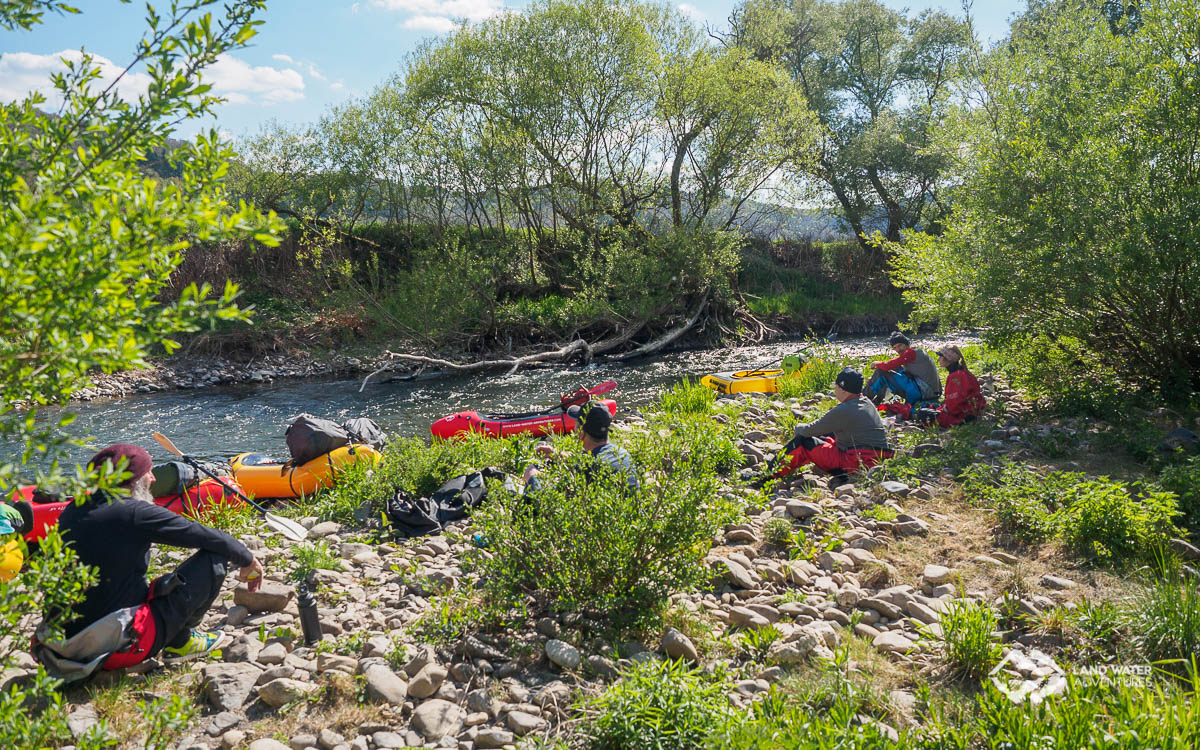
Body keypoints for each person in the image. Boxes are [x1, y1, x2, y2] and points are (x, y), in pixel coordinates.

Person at [35, 444, 264, 679]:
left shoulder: (72, 510)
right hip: (117, 647)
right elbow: (209, 537)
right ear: (134, 480)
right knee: (213, 558)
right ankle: (182, 643)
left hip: (58, 648)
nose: (153, 478)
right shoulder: (134, 512)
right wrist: (247, 559)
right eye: (149, 472)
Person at [775, 368, 893, 479]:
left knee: (803, 442)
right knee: (826, 435)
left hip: (855, 463)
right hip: (875, 459)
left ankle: (769, 474)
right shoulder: (866, 403)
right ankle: (789, 468)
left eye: (835, 386)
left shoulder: (844, 410)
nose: (834, 389)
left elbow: (808, 430)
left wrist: (797, 427)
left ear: (842, 388)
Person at [523, 402, 638, 492]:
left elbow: (547, 502)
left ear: (581, 433)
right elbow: (591, 458)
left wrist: (532, 478)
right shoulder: (622, 454)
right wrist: (558, 454)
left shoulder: (587, 468)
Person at [865, 331, 941, 407]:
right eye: (895, 348)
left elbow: (887, 366)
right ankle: (875, 401)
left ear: (906, 344)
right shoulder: (913, 353)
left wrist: (876, 363)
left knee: (882, 370)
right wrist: (873, 380)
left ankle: (864, 398)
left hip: (926, 392)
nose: (898, 349)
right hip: (927, 391)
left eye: (900, 345)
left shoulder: (912, 352)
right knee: (890, 371)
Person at [927, 345, 986, 427]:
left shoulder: (955, 377)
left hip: (962, 416)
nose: (938, 359)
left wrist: (943, 410)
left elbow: (954, 406)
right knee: (933, 406)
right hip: (971, 410)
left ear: (948, 360)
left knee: (925, 414)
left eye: (940, 357)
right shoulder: (964, 372)